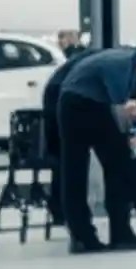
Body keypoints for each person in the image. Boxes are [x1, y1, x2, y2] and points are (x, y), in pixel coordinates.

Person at [57, 37, 136, 254]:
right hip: (76, 104)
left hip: (96, 105)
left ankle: (121, 232)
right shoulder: (120, 65)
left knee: (118, 165)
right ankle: (82, 236)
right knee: (76, 170)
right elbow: (122, 110)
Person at [40, 45, 99, 224]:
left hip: (57, 92)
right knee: (69, 158)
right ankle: (62, 209)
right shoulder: (115, 64)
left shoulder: (99, 58)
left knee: (62, 157)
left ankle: (59, 208)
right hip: (62, 96)